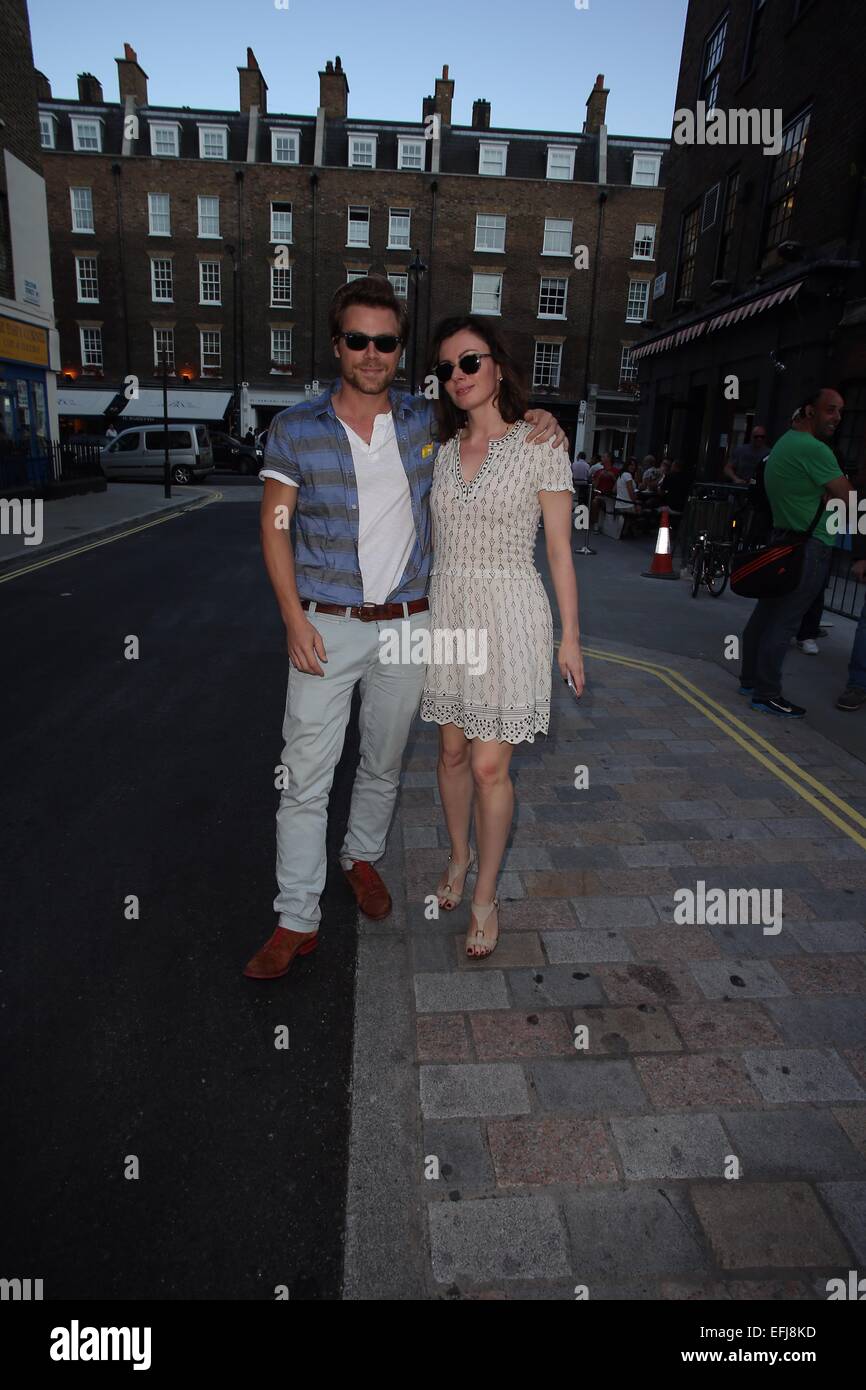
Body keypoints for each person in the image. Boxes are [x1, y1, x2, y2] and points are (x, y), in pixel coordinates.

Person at [243, 276, 565, 980]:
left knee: (384, 763)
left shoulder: (427, 425)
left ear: (398, 351)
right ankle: (296, 917)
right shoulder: (296, 428)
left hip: (409, 628)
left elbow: (493, 423)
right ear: (337, 345)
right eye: (357, 340)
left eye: (384, 342)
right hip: (324, 627)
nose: (370, 353)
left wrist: (542, 417)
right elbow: (274, 527)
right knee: (304, 776)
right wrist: (292, 617)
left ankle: (361, 856)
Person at [419, 316, 583, 958]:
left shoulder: (542, 444)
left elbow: (562, 553)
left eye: (470, 362)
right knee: (453, 755)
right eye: (446, 368)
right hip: (450, 611)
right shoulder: (437, 447)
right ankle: (458, 858)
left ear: (497, 366)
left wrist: (571, 638)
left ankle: (485, 897)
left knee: (490, 765)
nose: (457, 376)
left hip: (511, 613)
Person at [739, 387, 853, 718]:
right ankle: (767, 693)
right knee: (785, 622)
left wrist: (827, 496)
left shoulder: (785, 444)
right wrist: (832, 495)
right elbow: (851, 502)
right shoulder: (816, 450)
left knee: (766, 615)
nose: (837, 418)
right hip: (809, 547)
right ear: (808, 411)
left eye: (840, 411)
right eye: (830, 410)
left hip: (783, 540)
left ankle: (750, 680)